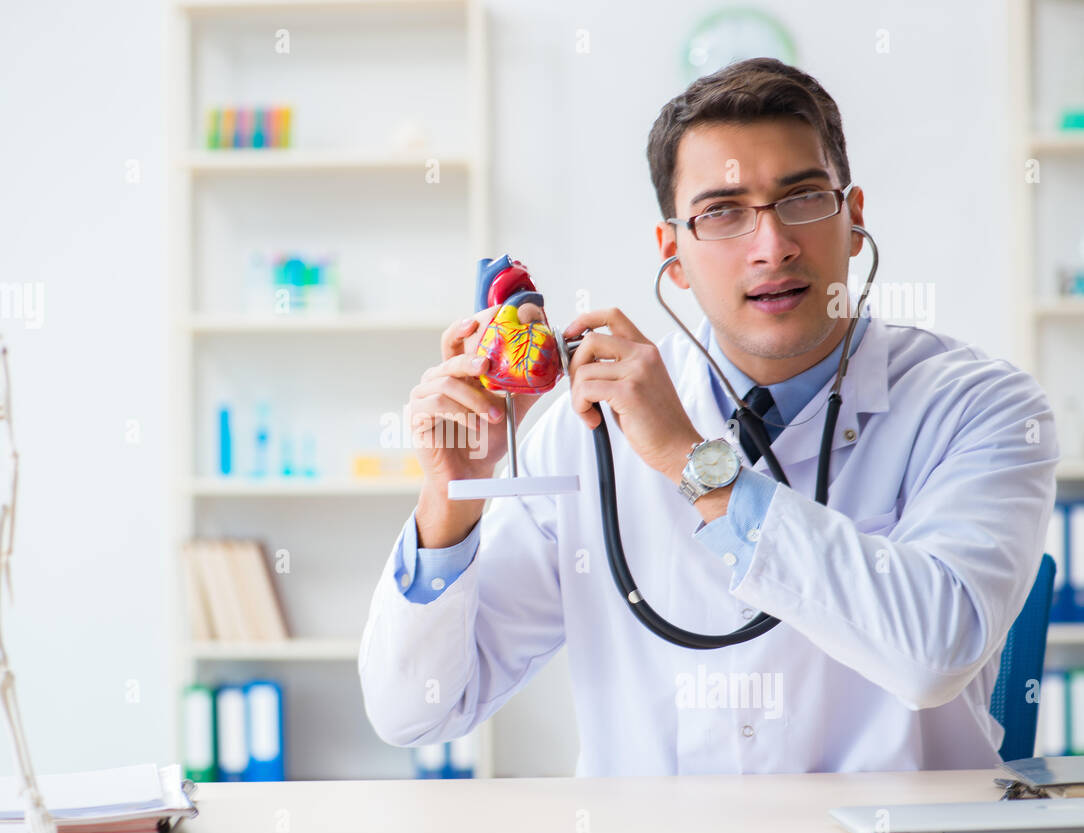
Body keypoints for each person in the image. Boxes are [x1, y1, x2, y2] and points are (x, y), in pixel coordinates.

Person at [358, 57, 1060, 775]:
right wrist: (451, 497)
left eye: (803, 198)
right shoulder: (584, 429)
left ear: (853, 220)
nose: (772, 245)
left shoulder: (982, 408)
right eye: (722, 212)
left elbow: (933, 655)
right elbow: (417, 709)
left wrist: (694, 465)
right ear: (675, 255)